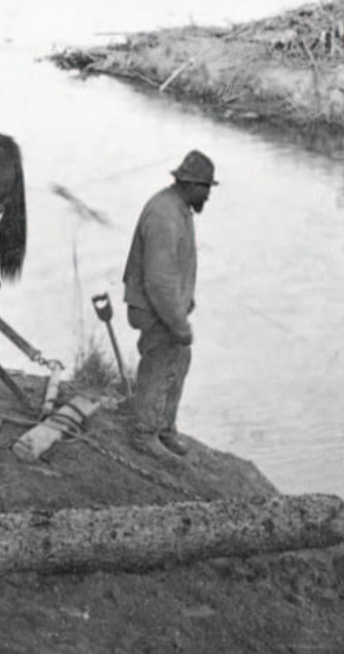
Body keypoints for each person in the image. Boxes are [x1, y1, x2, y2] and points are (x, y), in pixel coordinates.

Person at [122, 149, 218, 459]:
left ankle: (164, 427)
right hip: (154, 309)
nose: (208, 195)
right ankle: (144, 432)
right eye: (206, 188)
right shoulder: (164, 215)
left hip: (165, 307)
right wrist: (179, 324)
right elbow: (159, 283)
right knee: (162, 358)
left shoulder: (179, 208)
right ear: (191, 185)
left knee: (179, 358)